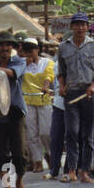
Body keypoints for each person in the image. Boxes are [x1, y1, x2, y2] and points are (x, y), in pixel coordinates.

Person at [58, 13, 94, 183]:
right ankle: (71, 170)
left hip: (89, 94)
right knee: (71, 132)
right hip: (71, 94)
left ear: (87, 27)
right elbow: (61, 72)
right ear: (71, 27)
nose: (80, 28)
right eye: (76, 24)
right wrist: (62, 87)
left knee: (88, 134)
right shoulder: (63, 47)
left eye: (83, 24)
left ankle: (85, 171)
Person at [0, 32, 29, 188]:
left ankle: (19, 182)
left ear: (12, 47)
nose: (5, 48)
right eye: (1, 45)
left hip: (15, 112)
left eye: (8, 45)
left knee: (20, 154)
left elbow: (12, 74)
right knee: (2, 154)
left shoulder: (19, 62)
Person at [20, 39, 55, 171]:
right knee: (32, 133)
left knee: (46, 131)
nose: (29, 53)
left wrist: (46, 86)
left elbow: (49, 76)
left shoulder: (48, 62)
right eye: (26, 50)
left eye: (32, 49)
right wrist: (24, 65)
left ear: (38, 49)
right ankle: (37, 161)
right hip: (28, 101)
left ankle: (50, 154)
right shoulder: (21, 64)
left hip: (43, 100)